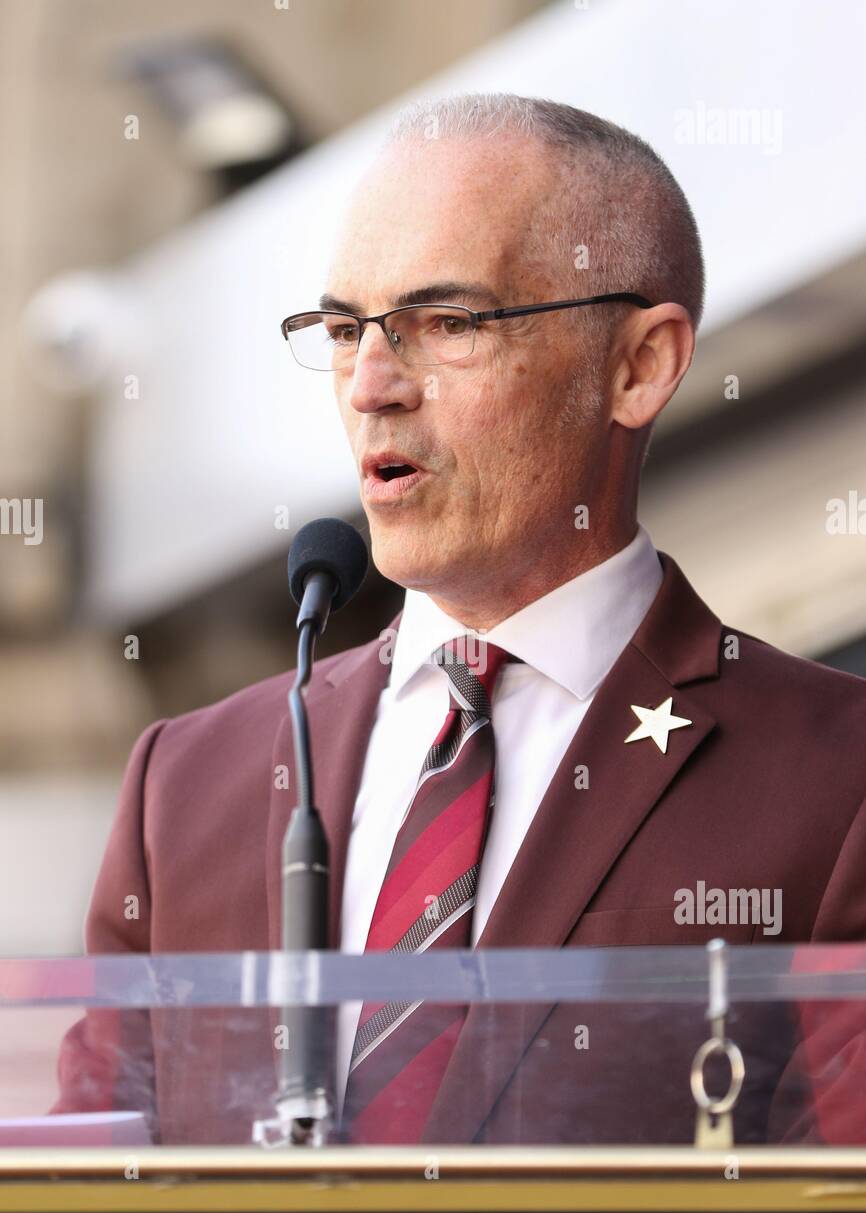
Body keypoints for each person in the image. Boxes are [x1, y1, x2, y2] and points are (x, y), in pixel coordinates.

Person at [56, 95, 866, 1146]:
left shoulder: (834, 779)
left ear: (638, 366)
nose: (374, 387)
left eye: (448, 324)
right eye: (346, 330)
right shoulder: (189, 781)